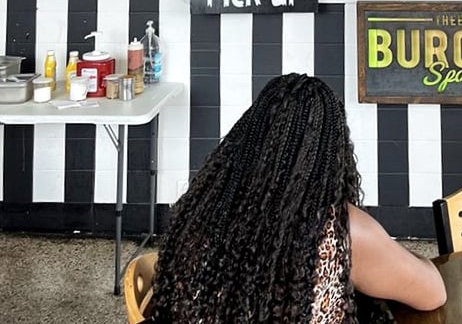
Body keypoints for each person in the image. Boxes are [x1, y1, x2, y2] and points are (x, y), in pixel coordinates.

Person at [151, 72, 446, 322]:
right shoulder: (340, 232)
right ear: (330, 150)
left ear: (252, 134)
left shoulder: (203, 210)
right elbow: (433, 292)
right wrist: (400, 253)